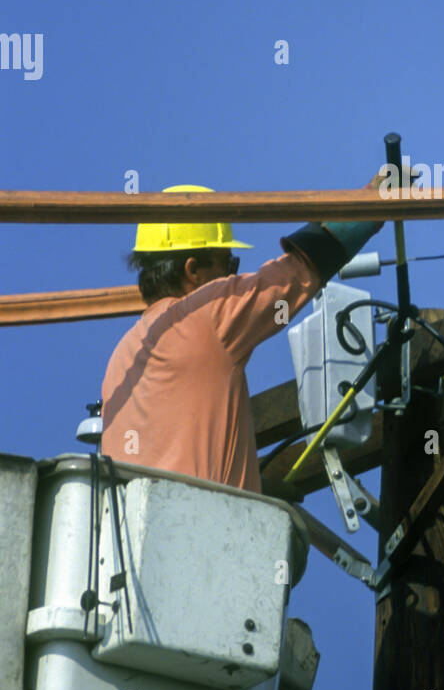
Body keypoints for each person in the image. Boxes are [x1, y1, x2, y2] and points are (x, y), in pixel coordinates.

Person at [101, 181, 383, 493]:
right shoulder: (206, 313)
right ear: (193, 271)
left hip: (138, 533)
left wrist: (254, 489)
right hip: (206, 526)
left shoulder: (120, 359)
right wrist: (375, 200)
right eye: (230, 264)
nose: (234, 276)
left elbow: (168, 452)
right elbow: (298, 273)